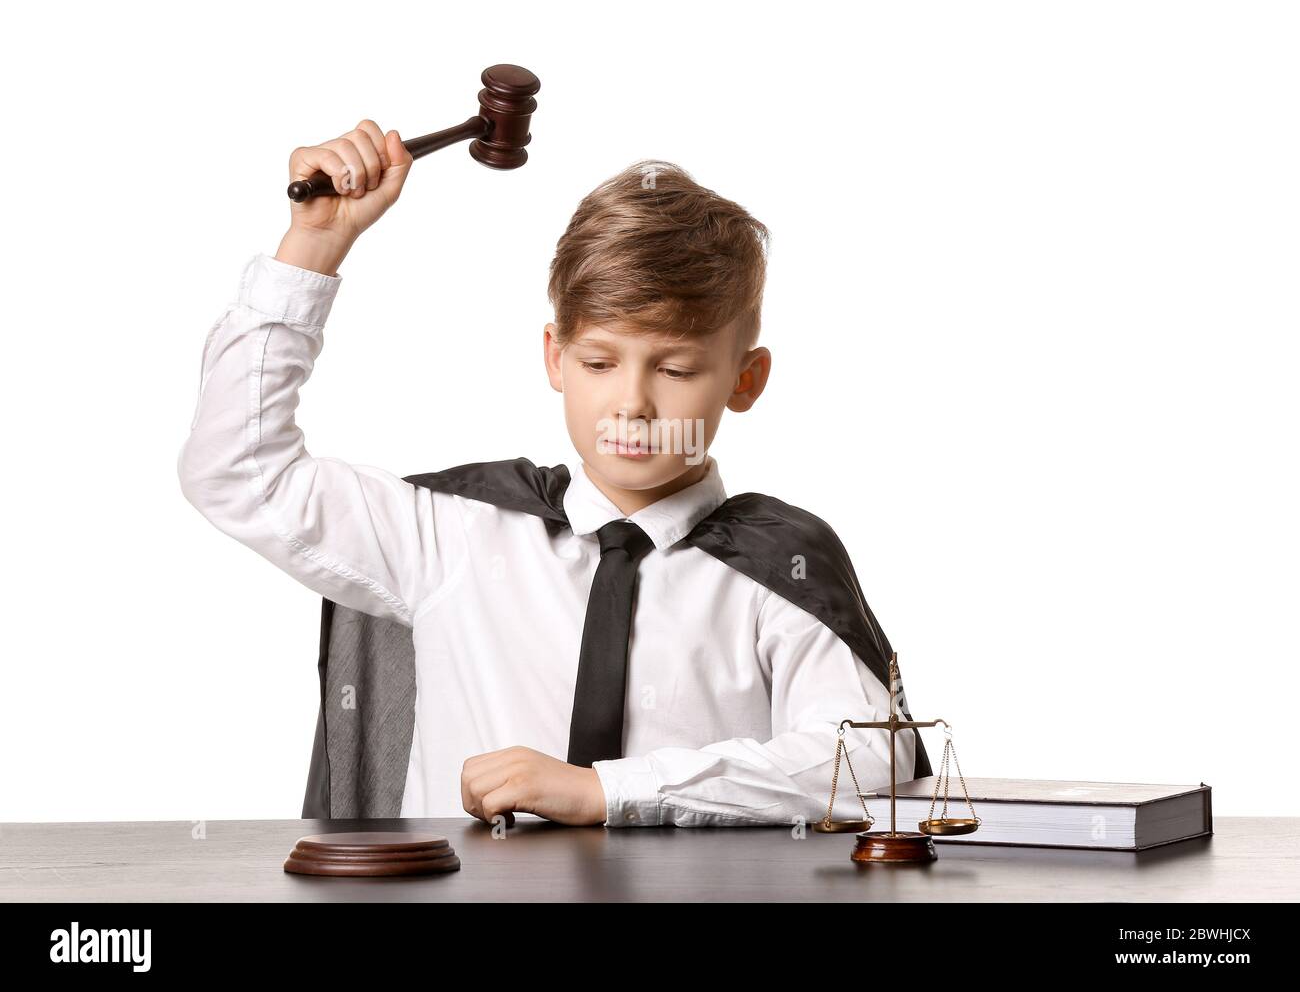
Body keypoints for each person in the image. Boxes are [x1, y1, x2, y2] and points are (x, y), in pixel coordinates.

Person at [177, 119, 919, 827]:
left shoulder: (780, 569)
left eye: (676, 366)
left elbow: (867, 757)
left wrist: (608, 791)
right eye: (599, 362)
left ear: (745, 378)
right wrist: (313, 246)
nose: (631, 403)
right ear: (553, 357)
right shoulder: (453, 532)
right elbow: (238, 472)